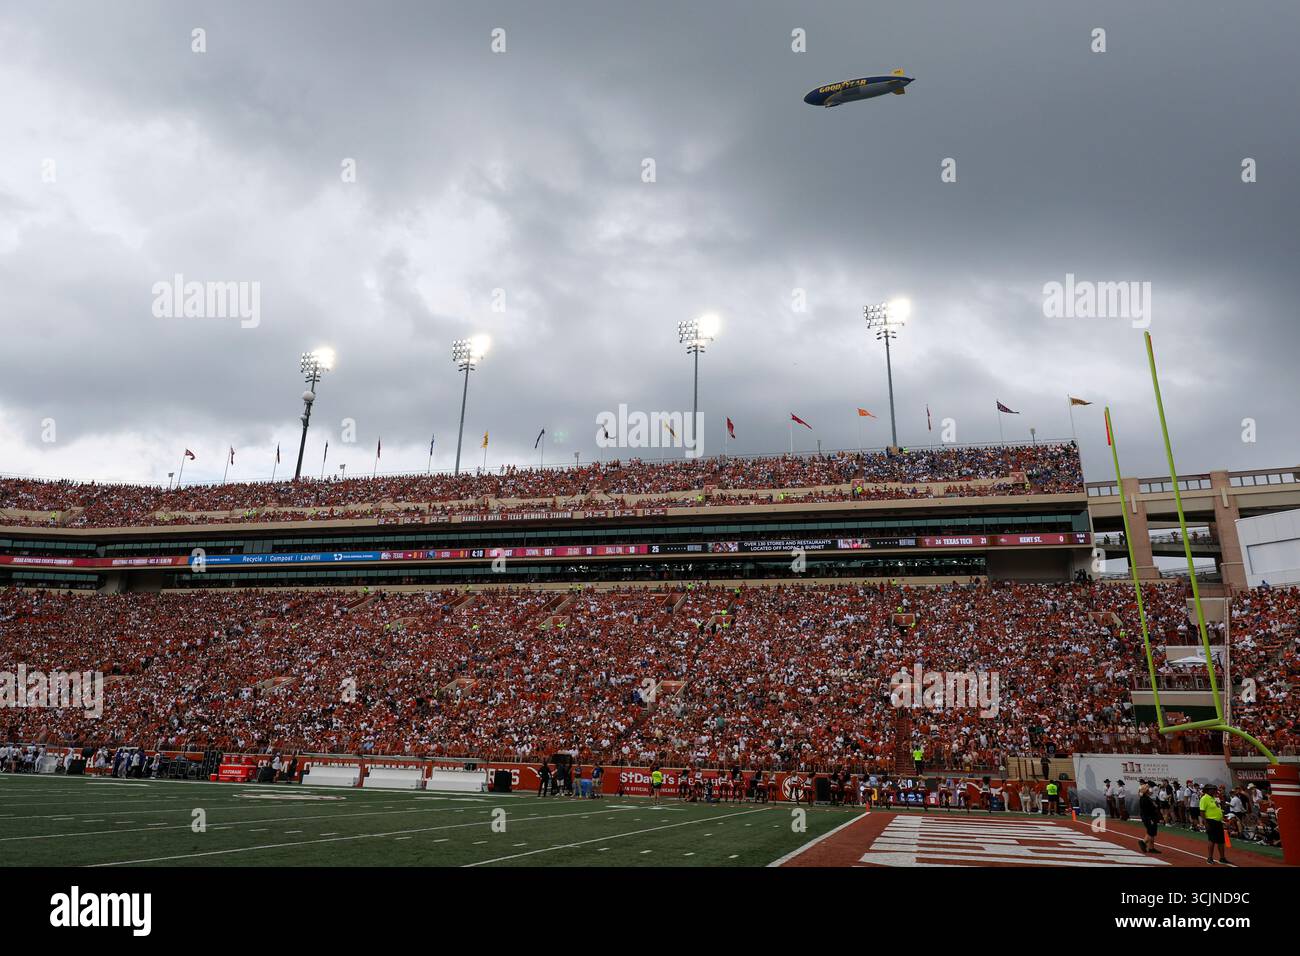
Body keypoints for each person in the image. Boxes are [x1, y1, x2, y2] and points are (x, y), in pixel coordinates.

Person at [1200, 784, 1229, 864]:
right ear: (1208, 790)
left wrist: (1221, 800)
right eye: (1213, 789)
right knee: (1212, 840)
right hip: (1210, 821)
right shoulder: (1204, 798)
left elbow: (1219, 808)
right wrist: (1205, 823)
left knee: (1221, 841)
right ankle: (1210, 858)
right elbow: (1202, 811)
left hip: (1218, 822)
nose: (1215, 791)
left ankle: (1222, 858)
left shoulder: (1214, 798)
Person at [1137, 782, 1162, 854]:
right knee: (1151, 832)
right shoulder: (1145, 799)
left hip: (1149, 817)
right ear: (1146, 791)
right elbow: (1149, 809)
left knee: (1152, 832)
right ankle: (1143, 842)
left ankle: (1151, 848)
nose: (1150, 790)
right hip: (1149, 817)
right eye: (1148, 790)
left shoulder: (1146, 798)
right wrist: (1155, 807)